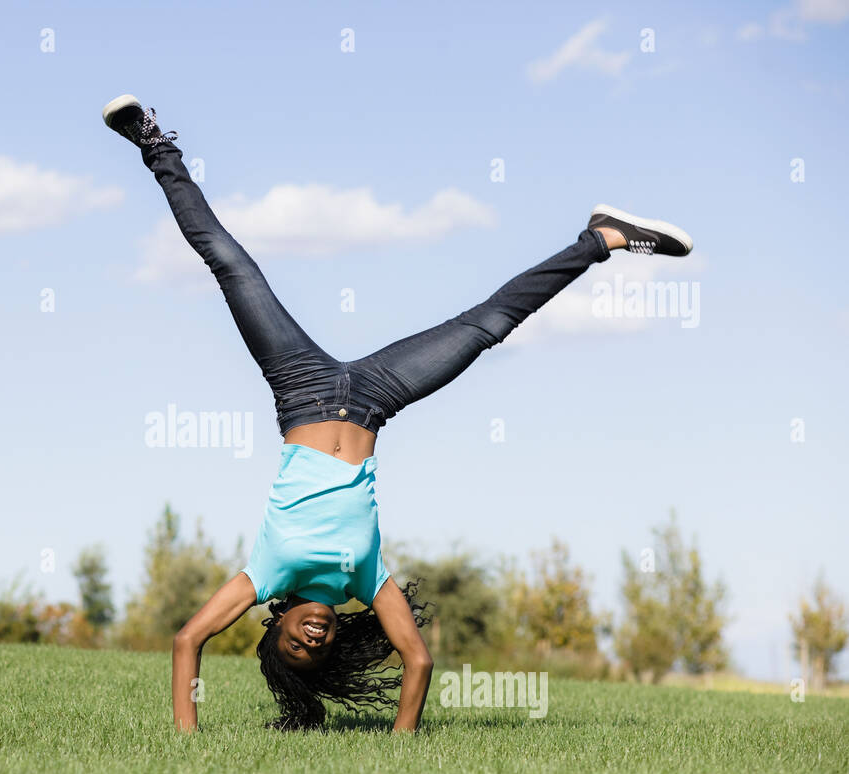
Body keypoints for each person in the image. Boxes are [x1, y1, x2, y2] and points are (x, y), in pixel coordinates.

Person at [102, 94, 694, 733]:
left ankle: (155, 145)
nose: (312, 640)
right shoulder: (369, 580)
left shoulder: (269, 574)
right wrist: (402, 742)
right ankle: (601, 238)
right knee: (490, 325)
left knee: (229, 263)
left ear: (274, 632)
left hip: (299, 388)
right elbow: (417, 659)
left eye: (294, 646)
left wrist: (187, 743)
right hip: (374, 401)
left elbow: (187, 640)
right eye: (317, 651)